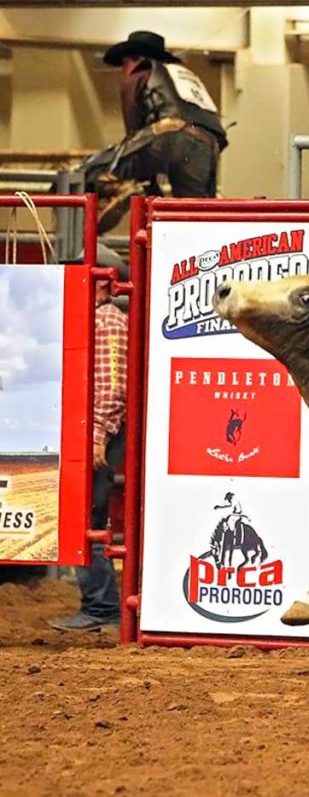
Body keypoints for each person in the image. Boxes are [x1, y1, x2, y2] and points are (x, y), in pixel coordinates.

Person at [49, 260, 129, 632]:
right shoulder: (101, 318)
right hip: (99, 431)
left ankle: (101, 606)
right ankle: (101, 605)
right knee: (87, 516)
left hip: (100, 434)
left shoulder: (107, 319)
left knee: (89, 517)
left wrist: (98, 431)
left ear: (101, 284)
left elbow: (112, 385)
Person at [94, 30, 227, 222]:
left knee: (92, 170)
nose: (124, 69)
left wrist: (134, 172)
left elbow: (134, 132)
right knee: (194, 213)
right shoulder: (186, 77)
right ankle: (155, 206)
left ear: (137, 58)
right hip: (207, 145)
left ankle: (130, 189)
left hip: (168, 135)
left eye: (124, 63)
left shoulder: (140, 74)